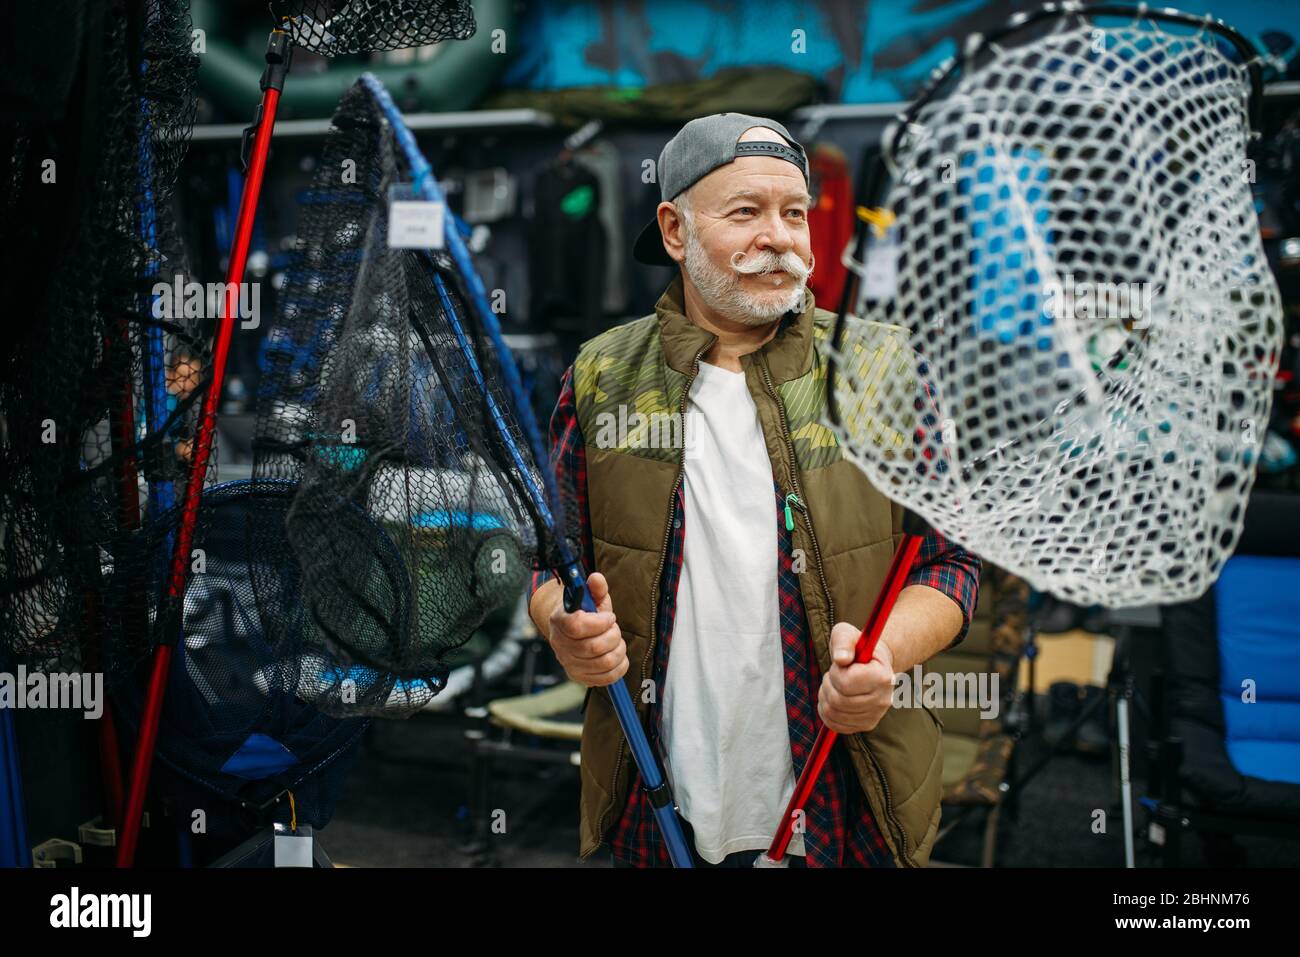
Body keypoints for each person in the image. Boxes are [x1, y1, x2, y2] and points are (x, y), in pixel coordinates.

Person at [527, 113, 980, 868]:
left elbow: (949, 565)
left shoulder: (885, 372)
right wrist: (562, 625)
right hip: (656, 785)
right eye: (746, 212)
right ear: (675, 229)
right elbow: (549, 560)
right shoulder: (601, 378)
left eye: (795, 213)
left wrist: (883, 657)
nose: (782, 238)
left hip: (845, 783)